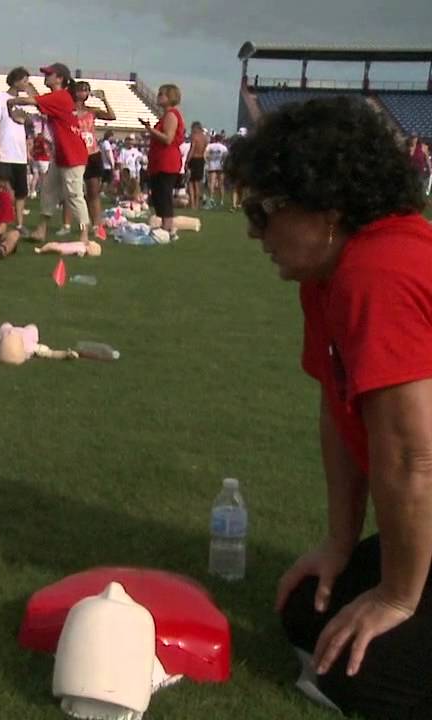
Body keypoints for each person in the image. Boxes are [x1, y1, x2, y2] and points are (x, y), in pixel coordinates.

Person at [226, 96, 432, 720]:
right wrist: (339, 543)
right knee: (306, 612)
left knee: (364, 677)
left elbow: (411, 458)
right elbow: (338, 413)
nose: (253, 232)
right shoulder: (327, 276)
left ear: (330, 207)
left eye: (265, 212)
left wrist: (397, 597)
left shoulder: (380, 270)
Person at [8, 63, 89, 245]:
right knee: (48, 191)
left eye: (49, 74)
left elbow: (33, 101)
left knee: (74, 195)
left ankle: (84, 233)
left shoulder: (60, 96)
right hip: (63, 154)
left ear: (59, 78)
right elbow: (39, 103)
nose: (46, 76)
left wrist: (13, 101)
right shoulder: (58, 97)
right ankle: (41, 230)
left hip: (72, 155)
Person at [0, 67, 32, 229]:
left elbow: (26, 126)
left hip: (19, 154)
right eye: (25, 80)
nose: (27, 84)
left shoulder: (24, 102)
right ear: (15, 81)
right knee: (3, 189)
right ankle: (1, 221)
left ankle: (19, 224)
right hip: (5, 152)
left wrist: (27, 150)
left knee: (21, 191)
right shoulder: (0, 98)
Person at [73, 83, 116, 238]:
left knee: (93, 192)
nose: (84, 93)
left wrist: (104, 100)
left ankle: (97, 225)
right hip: (75, 153)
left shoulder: (91, 111)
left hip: (92, 154)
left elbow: (111, 116)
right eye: (81, 90)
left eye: (86, 90)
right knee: (75, 193)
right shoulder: (69, 111)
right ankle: (81, 223)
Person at [141, 84, 184, 240]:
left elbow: (168, 139)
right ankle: (165, 225)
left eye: (162, 94)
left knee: (164, 194)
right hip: (160, 160)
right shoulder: (166, 115)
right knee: (159, 194)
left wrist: (150, 130)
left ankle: (168, 227)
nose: (158, 96)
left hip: (167, 161)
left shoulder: (171, 115)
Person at [204, 134, 229, 206]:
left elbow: (205, 154)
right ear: (221, 139)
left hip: (212, 166)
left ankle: (211, 198)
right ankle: (221, 201)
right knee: (221, 184)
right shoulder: (223, 147)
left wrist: (207, 161)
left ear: (214, 139)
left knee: (211, 183)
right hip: (220, 166)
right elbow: (226, 156)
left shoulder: (210, 146)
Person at [187, 121, 207, 209]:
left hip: (194, 159)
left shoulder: (194, 137)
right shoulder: (205, 137)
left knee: (191, 182)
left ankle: (193, 204)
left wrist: (187, 160)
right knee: (197, 183)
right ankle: (197, 204)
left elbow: (192, 149)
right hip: (201, 159)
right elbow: (205, 147)